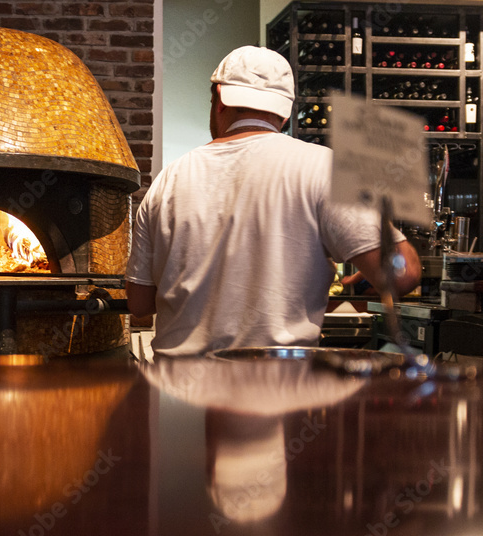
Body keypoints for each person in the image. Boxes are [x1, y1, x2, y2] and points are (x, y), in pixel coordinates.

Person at [125, 45, 421, 357]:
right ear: (284, 112)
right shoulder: (324, 167)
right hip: (275, 391)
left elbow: (140, 304)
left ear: (218, 101)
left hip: (177, 394)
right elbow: (402, 275)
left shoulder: (167, 180)